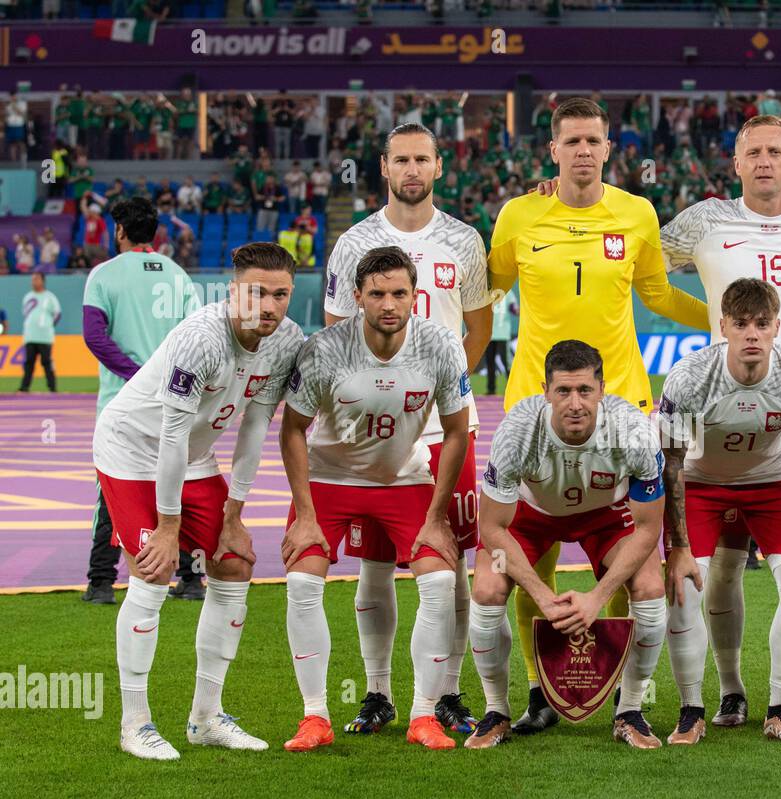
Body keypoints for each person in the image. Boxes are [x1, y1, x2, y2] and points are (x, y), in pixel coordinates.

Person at [488, 96, 707, 735]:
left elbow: (660, 294)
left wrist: (719, 320)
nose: (583, 150)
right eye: (571, 141)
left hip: (624, 404)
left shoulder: (637, 213)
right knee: (537, 552)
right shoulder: (518, 214)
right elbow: (488, 289)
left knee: (636, 547)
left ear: (609, 148)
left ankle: (627, 696)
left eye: (593, 140)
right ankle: (538, 688)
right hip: (534, 401)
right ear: (552, 150)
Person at [91, 242, 304, 759]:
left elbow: (255, 427)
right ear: (233, 291)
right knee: (153, 569)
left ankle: (206, 717)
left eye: (281, 294)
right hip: (134, 449)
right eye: (256, 292)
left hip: (193, 456)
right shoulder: (200, 339)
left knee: (233, 562)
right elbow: (169, 437)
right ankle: (135, 723)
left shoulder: (286, 341)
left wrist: (235, 515)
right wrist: (167, 528)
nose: (269, 306)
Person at [323, 123, 492, 738]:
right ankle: (377, 693)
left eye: (423, 158)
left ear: (440, 166)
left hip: (448, 426)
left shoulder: (465, 241)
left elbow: (478, 329)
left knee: (450, 557)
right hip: (373, 431)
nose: (413, 169)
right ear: (385, 167)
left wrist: (438, 394)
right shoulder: (355, 242)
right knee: (373, 564)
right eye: (402, 159)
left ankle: (446, 693)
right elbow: (337, 336)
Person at [280, 245, 472, 752]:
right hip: (329, 479)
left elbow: (456, 433)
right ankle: (314, 716)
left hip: (403, 480)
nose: (389, 304)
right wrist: (304, 515)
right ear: (358, 297)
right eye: (377, 294)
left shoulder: (441, 345)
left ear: (415, 296)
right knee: (301, 580)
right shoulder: (324, 348)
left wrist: (435, 518)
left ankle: (423, 716)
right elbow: (294, 429)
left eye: (399, 293)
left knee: (440, 581)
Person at [463, 340, 667, 750]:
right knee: (486, 589)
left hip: (605, 515)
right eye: (563, 392)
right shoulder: (518, 432)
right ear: (545, 391)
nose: (575, 403)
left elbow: (648, 529)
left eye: (585, 391)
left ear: (602, 389)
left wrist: (597, 596)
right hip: (530, 517)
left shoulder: (634, 431)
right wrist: (541, 593)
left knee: (650, 588)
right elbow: (492, 529)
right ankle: (496, 711)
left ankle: (629, 711)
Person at [659, 279, 781, 746]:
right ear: (723, 327)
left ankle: (779, 706)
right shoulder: (691, 377)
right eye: (740, 324)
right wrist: (680, 548)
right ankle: (695, 706)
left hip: (770, 481)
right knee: (685, 584)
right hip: (702, 482)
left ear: (776, 327)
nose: (751, 334)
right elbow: (672, 462)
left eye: (760, 324)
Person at [81, 197, 204, 605]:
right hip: (175, 403)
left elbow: (95, 336)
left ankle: (101, 582)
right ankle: (191, 578)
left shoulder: (103, 274)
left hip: (121, 407)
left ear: (119, 231)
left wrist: (136, 377)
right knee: (180, 488)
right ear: (155, 232)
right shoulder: (179, 277)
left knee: (112, 494)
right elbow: (196, 340)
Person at [18, 271, 60, 393]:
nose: (34, 281)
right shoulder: (28, 297)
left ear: (42, 281)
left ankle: (52, 387)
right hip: (30, 335)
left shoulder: (50, 297)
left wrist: (48, 326)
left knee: (47, 362)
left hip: (45, 336)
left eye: (36, 279)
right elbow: (25, 314)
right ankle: (24, 387)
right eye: (33, 279)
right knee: (29, 362)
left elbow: (57, 314)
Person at [484, 284, 515, 395]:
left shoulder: (508, 292)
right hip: (489, 334)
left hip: (503, 333)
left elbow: (512, 307)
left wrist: (516, 310)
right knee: (490, 363)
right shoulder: (487, 293)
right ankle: (491, 389)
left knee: (507, 363)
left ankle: (511, 389)